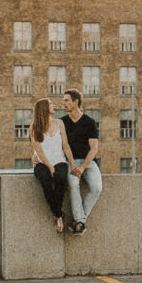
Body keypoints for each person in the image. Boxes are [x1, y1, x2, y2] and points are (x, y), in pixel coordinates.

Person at [61, 89, 101, 235]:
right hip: (70, 161)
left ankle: (79, 221)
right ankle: (80, 221)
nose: (63, 103)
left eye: (66, 100)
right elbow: (63, 146)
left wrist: (83, 167)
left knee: (97, 188)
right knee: (73, 185)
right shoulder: (62, 122)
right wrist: (73, 165)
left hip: (88, 162)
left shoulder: (89, 122)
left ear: (75, 102)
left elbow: (94, 148)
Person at [31, 97, 73, 234]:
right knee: (46, 181)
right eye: (50, 104)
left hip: (59, 160)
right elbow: (38, 150)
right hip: (42, 162)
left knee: (60, 178)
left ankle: (56, 213)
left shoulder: (59, 123)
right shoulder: (34, 127)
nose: (54, 106)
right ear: (44, 108)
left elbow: (65, 145)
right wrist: (49, 167)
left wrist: (72, 164)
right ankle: (58, 214)